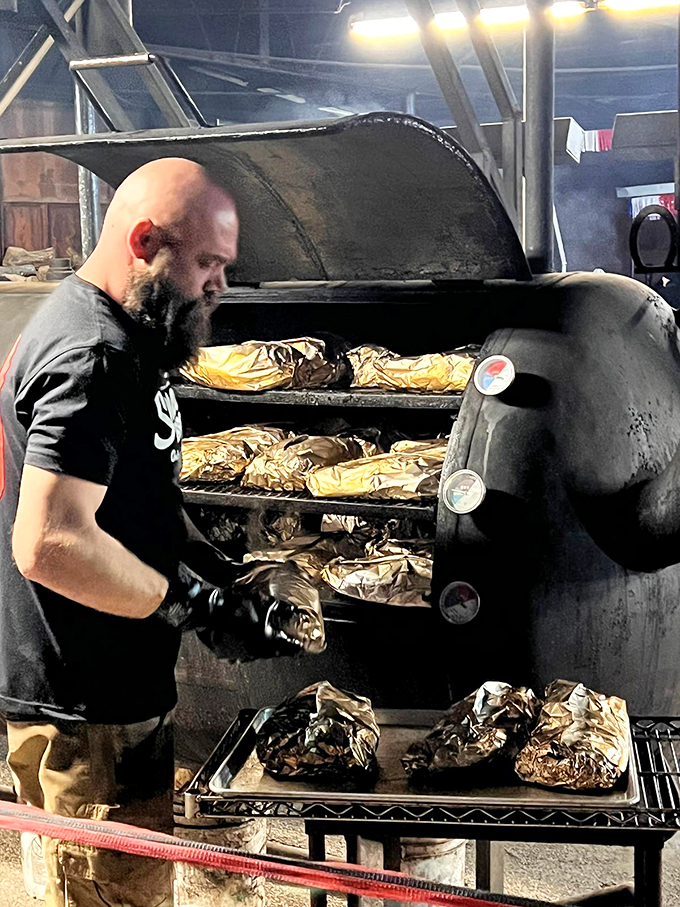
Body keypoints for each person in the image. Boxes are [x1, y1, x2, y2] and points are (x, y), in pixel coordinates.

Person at [0, 158, 307, 907]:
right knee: (109, 894)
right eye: (207, 264)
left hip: (108, 690)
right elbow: (48, 542)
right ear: (144, 243)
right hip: (86, 707)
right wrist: (191, 604)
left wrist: (217, 573)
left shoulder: (125, 334)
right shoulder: (94, 357)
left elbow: (136, 491)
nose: (219, 286)